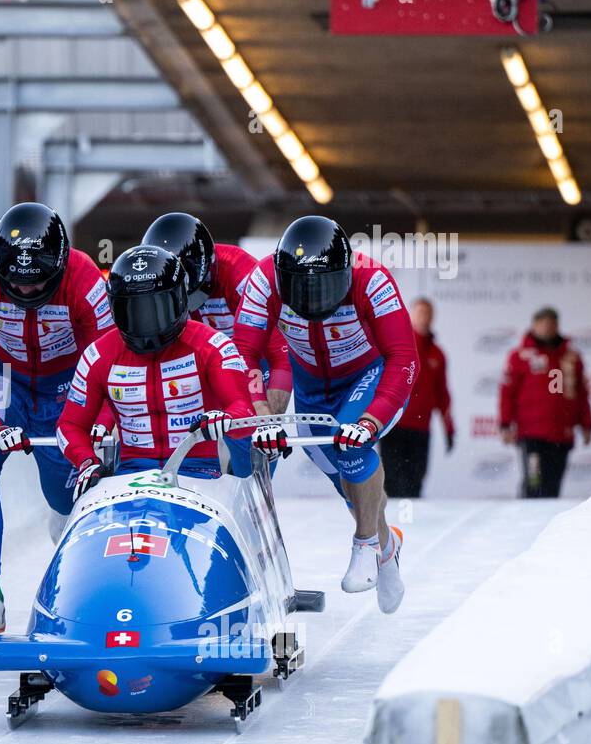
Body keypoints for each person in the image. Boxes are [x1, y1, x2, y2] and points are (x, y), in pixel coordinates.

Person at [233, 216, 418, 614]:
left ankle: (366, 542)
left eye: (325, 289)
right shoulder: (263, 281)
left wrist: (370, 419)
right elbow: (242, 355)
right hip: (312, 386)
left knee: (353, 448)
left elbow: (403, 358)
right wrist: (261, 413)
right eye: (302, 291)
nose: (315, 302)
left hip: (366, 376)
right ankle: (388, 547)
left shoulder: (373, 280)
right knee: (348, 486)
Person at [0, 202, 114, 634]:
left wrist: (101, 417)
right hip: (2, 377)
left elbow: (110, 360)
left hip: (66, 382)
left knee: (65, 494)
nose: (25, 292)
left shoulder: (87, 282)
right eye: (16, 284)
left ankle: (65, 521)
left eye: (37, 283)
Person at [59, 244, 256, 498]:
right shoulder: (98, 356)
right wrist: (87, 462)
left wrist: (224, 420)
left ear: (179, 299)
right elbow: (69, 425)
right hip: (130, 476)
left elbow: (245, 411)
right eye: (134, 310)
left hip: (198, 473)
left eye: (157, 308)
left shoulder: (213, 346)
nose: (146, 323)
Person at [142, 212, 292, 417]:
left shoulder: (240, 272)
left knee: (252, 422)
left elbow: (281, 352)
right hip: (212, 358)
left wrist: (269, 417)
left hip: (257, 354)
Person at [499, 307, 591, 498]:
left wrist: (586, 424)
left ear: (558, 326)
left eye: (552, 324)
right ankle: (525, 523)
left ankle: (549, 527)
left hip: (561, 435)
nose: (548, 328)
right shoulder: (520, 356)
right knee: (534, 484)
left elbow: (579, 394)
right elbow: (507, 392)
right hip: (532, 435)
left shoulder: (570, 358)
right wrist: (505, 423)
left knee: (553, 487)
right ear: (534, 326)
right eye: (543, 323)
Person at [381, 297, 455, 498]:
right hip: (394, 425)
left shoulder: (438, 354)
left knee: (415, 479)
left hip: (421, 428)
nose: (424, 318)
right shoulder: (397, 347)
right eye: (420, 313)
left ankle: (413, 524)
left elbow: (442, 394)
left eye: (428, 314)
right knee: (392, 480)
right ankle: (391, 525)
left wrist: (449, 428)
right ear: (411, 316)